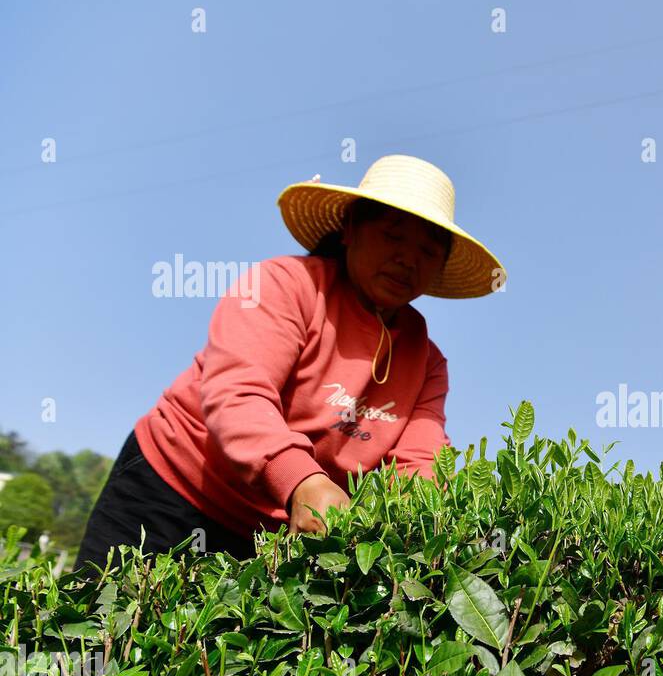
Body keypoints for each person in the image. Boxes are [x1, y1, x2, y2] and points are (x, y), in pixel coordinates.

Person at [74, 154, 506, 573]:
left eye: (428, 251)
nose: (408, 259)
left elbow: (421, 462)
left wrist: (426, 529)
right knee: (97, 632)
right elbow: (239, 395)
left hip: (274, 529)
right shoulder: (285, 286)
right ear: (351, 228)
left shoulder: (426, 360)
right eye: (393, 236)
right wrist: (302, 479)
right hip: (172, 491)